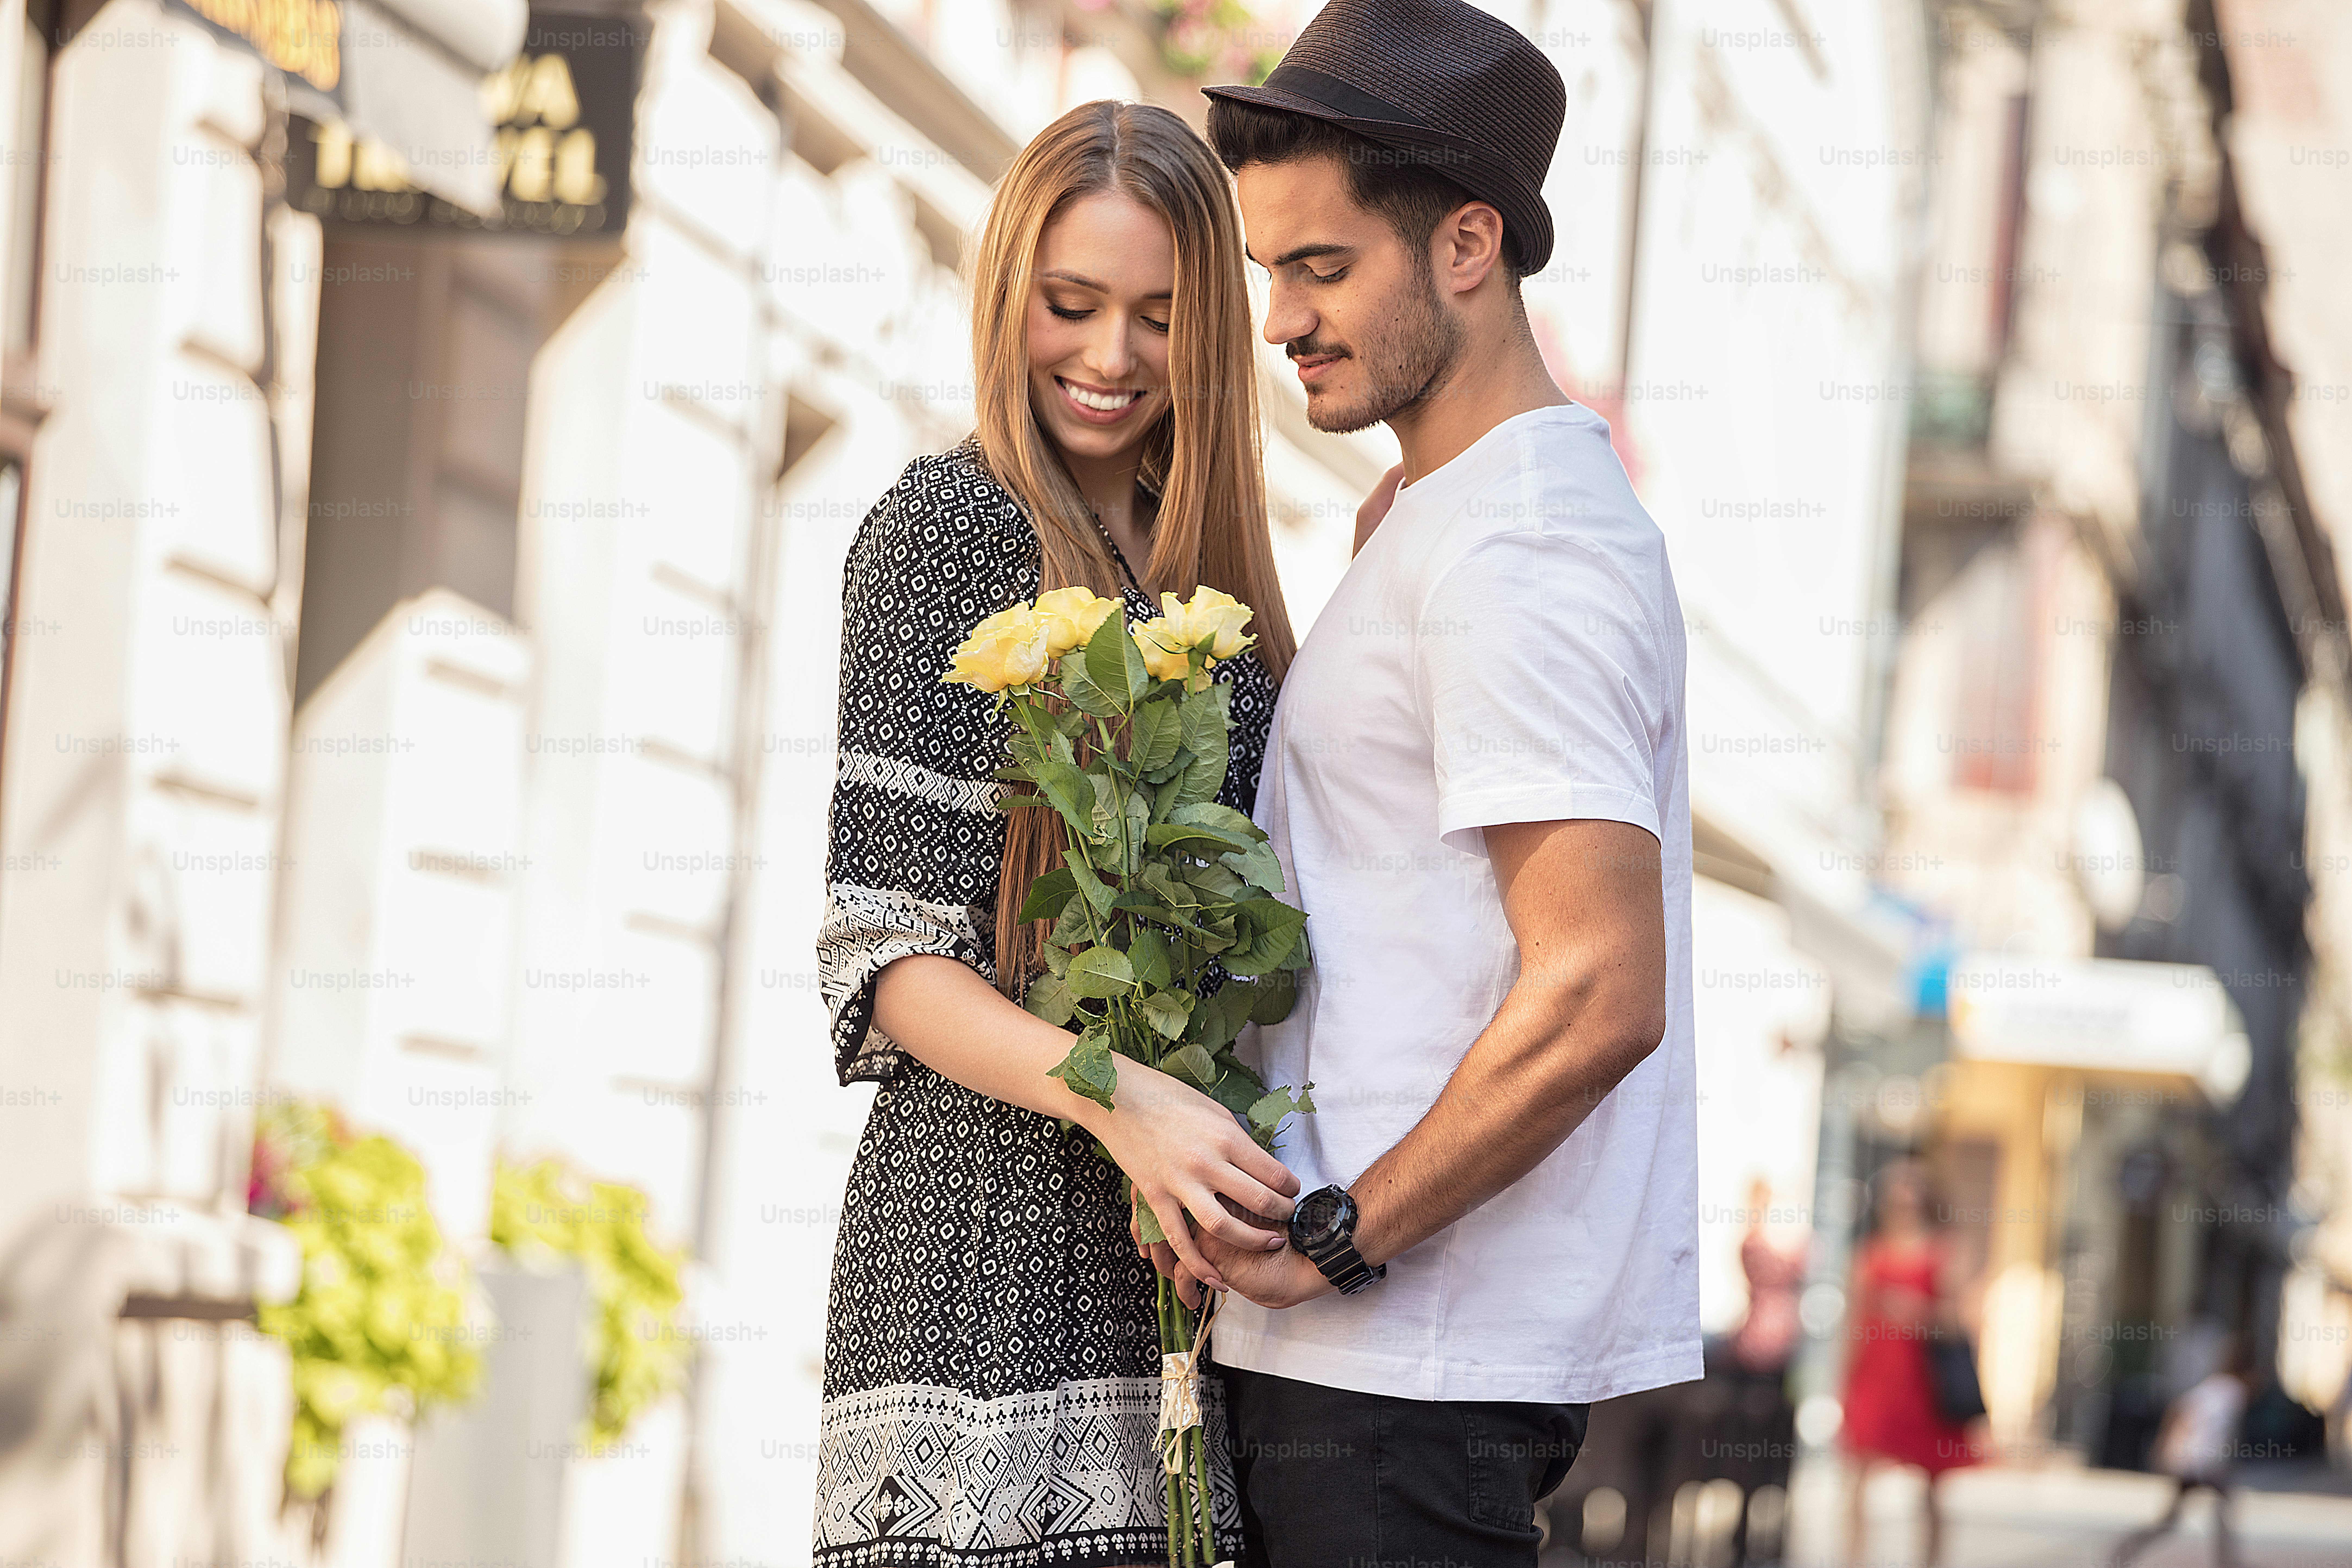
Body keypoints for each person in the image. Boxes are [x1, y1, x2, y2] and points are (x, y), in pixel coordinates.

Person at [1150, 0, 1704, 1559]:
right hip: (1370, 1372)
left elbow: (1599, 990)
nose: (1278, 320)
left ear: (1467, 247)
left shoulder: (1520, 551)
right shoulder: (1433, 517)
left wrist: (1339, 1234)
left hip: (1406, 1381)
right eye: (1271, 273)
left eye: (1321, 269)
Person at [810, 100, 1302, 1565]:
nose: (1109, 357)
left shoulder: (1217, 583)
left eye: (1158, 317)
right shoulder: (946, 528)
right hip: (979, 1233)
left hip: (1170, 1259)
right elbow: (883, 953)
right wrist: (1128, 1103)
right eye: (1071, 304)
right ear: (1007, 291)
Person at [1838, 1159, 1979, 1568]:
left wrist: (1917, 1312)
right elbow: (1853, 1324)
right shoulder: (1869, 1254)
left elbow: (1957, 1320)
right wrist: (1843, 1385)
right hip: (1877, 1380)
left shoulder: (1945, 1251)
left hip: (1925, 1381)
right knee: (1859, 1480)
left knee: (1932, 1485)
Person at [2108, 1340, 2249, 1568]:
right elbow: (2200, 1421)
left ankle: (2126, 1550)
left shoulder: (2216, 1387)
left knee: (2182, 1519)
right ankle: (2228, 1562)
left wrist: (2168, 1445)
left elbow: (2181, 1410)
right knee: (2208, 1515)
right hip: (2197, 1464)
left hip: (2194, 1462)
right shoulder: (2231, 1392)